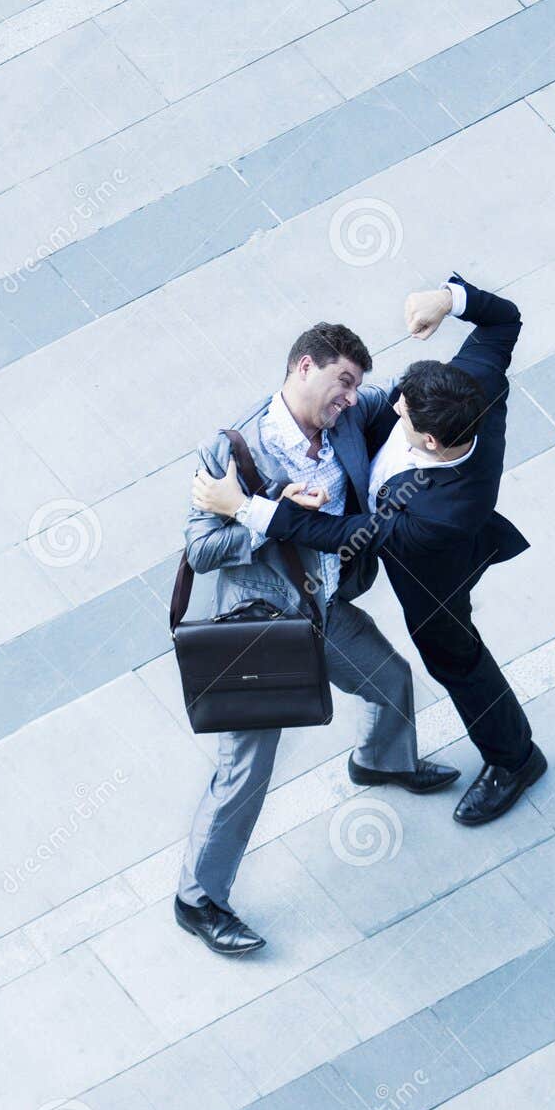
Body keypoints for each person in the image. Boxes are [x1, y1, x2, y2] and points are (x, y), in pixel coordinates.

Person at [192, 274, 544, 827]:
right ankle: (386, 758)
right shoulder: (471, 383)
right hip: (419, 532)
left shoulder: (438, 515)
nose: (390, 407)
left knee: (455, 658)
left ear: (428, 442)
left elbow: (345, 532)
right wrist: (449, 300)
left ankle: (515, 759)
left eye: (402, 414)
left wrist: (248, 509)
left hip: (434, 574)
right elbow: (506, 319)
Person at [175, 322, 456, 958]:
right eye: (344, 382)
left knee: (390, 679)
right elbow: (200, 548)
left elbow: (411, 395)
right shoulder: (233, 452)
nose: (353, 397)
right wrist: (271, 510)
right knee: (244, 770)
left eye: (357, 385)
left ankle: (382, 761)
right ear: (306, 367)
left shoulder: (349, 418)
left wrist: (464, 319)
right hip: (265, 628)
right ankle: (198, 899)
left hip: (325, 606)